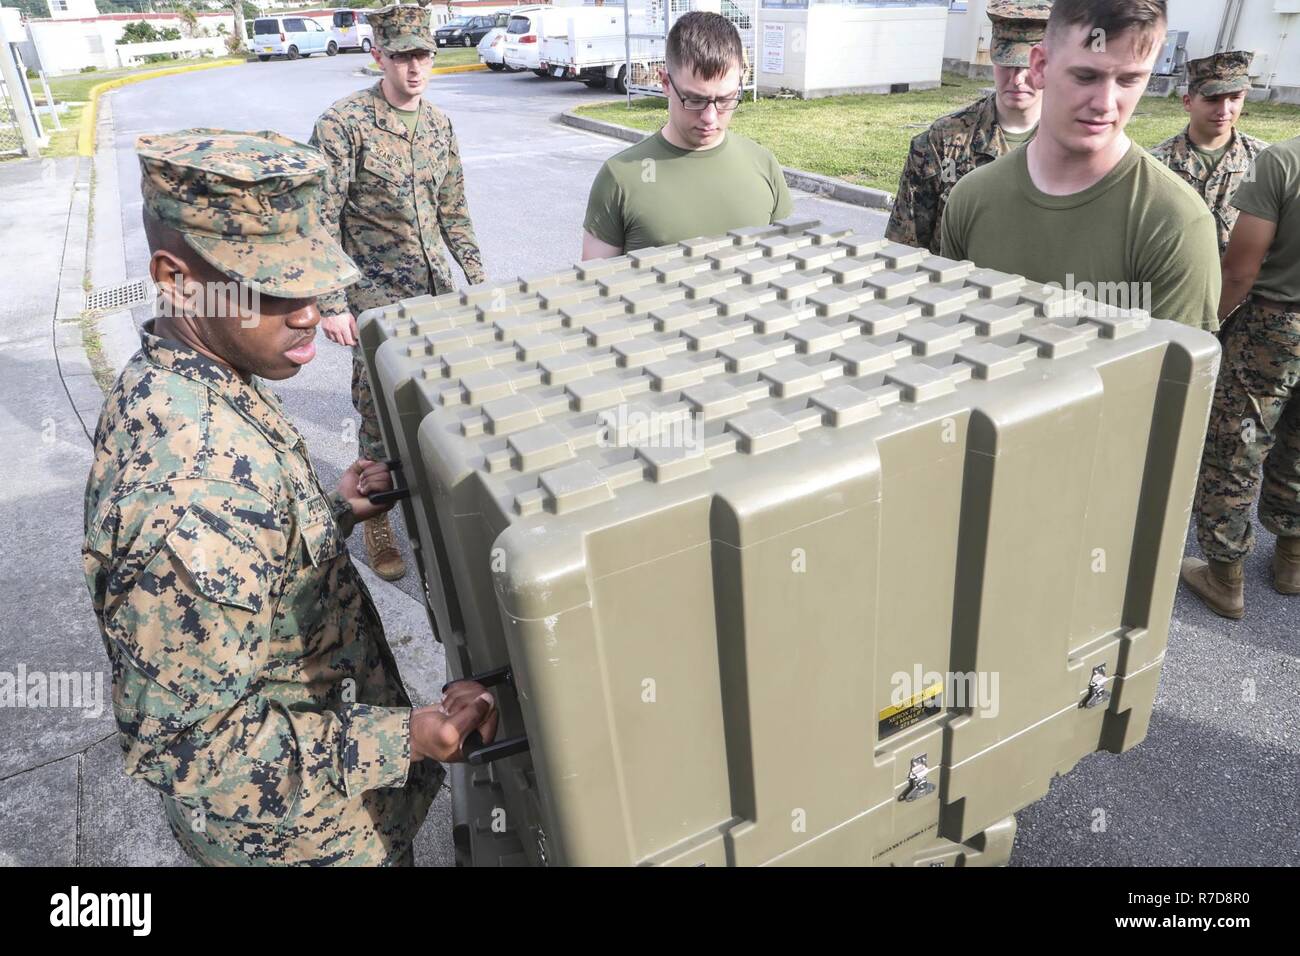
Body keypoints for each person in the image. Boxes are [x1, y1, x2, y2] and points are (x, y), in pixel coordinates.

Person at [82, 129, 499, 866]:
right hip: (302, 841)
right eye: (272, 286)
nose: (308, 310)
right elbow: (194, 751)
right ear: (177, 279)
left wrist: (332, 512)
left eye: (313, 278)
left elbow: (249, 563)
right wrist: (404, 737)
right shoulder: (186, 495)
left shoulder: (202, 370)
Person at [311, 3, 485, 581]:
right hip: (374, 304)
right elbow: (319, 219)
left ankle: (440, 510)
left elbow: (453, 208)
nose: (414, 68)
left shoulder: (438, 125)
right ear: (378, 55)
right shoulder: (343, 125)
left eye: (423, 56)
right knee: (377, 415)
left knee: (440, 405)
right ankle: (377, 518)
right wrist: (331, 305)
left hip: (434, 298)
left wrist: (478, 279)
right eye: (402, 55)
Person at [940, 0, 1221, 332]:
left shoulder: (1174, 223)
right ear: (1040, 67)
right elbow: (948, 333)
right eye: (1086, 76)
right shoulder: (972, 199)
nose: (1104, 104)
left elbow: (1174, 363)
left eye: (1129, 79)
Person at [1181, 134, 1300, 619]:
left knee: (1236, 447)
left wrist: (1208, 329)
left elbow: (1240, 270)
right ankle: (1292, 559)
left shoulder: (1283, 161)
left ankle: (1224, 577)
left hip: (1275, 329)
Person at [581, 10, 792, 259]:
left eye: (725, 99)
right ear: (665, 83)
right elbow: (595, 280)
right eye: (694, 100)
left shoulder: (764, 165)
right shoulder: (619, 178)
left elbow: (784, 264)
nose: (710, 117)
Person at [886, 0, 1051, 255]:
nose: (1017, 79)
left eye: (1027, 66)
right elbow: (903, 249)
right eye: (1007, 64)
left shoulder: (1072, 144)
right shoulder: (943, 140)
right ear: (993, 57)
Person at [1150, 51, 1269, 256]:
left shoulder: (1264, 160)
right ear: (1188, 102)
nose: (1224, 110)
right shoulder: (1157, 164)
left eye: (1235, 98)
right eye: (1212, 99)